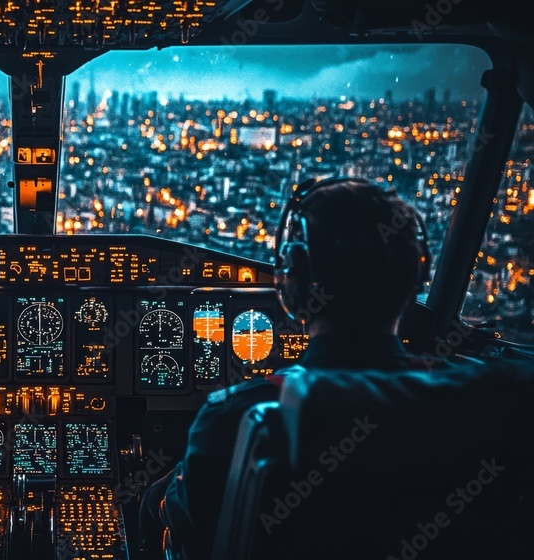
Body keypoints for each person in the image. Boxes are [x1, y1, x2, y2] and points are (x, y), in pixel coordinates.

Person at [139, 177, 434, 558]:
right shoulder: (466, 410)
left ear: (295, 283)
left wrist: (158, 491)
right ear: (414, 281)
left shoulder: (238, 418)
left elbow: (175, 520)